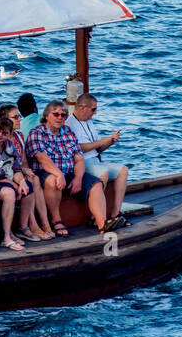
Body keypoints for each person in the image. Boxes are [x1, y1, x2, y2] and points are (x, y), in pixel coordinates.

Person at [25, 101, 126, 238]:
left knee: (96, 184)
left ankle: (102, 223)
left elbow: (78, 158)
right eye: (56, 114)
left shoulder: (68, 132)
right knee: (53, 180)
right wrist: (58, 173)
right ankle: (56, 220)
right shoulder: (37, 133)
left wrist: (78, 178)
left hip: (69, 172)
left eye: (63, 115)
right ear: (47, 116)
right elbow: (43, 159)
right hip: (47, 172)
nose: (60, 117)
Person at [0, 104, 53, 241]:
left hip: (17, 171)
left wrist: (26, 171)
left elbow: (24, 161)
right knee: (29, 183)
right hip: (6, 175)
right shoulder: (0, 138)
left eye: (19, 116)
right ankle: (31, 225)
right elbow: (2, 165)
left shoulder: (19, 136)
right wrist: (22, 173)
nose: (19, 119)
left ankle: (44, 223)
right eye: (15, 117)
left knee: (34, 179)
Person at [66, 93, 129, 215]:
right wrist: (101, 141)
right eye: (93, 109)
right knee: (103, 172)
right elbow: (78, 148)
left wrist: (110, 141)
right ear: (82, 107)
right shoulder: (70, 124)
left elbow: (98, 149)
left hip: (96, 160)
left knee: (123, 170)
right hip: (83, 164)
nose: (95, 113)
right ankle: (98, 216)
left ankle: (115, 213)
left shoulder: (89, 122)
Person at [0, 118, 30, 251]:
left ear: (9, 134)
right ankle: (6, 236)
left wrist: (21, 182)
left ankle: (21, 228)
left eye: (4, 133)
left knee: (28, 187)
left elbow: (16, 168)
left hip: (6, 179)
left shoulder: (9, 145)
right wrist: (14, 184)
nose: (0, 135)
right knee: (9, 193)